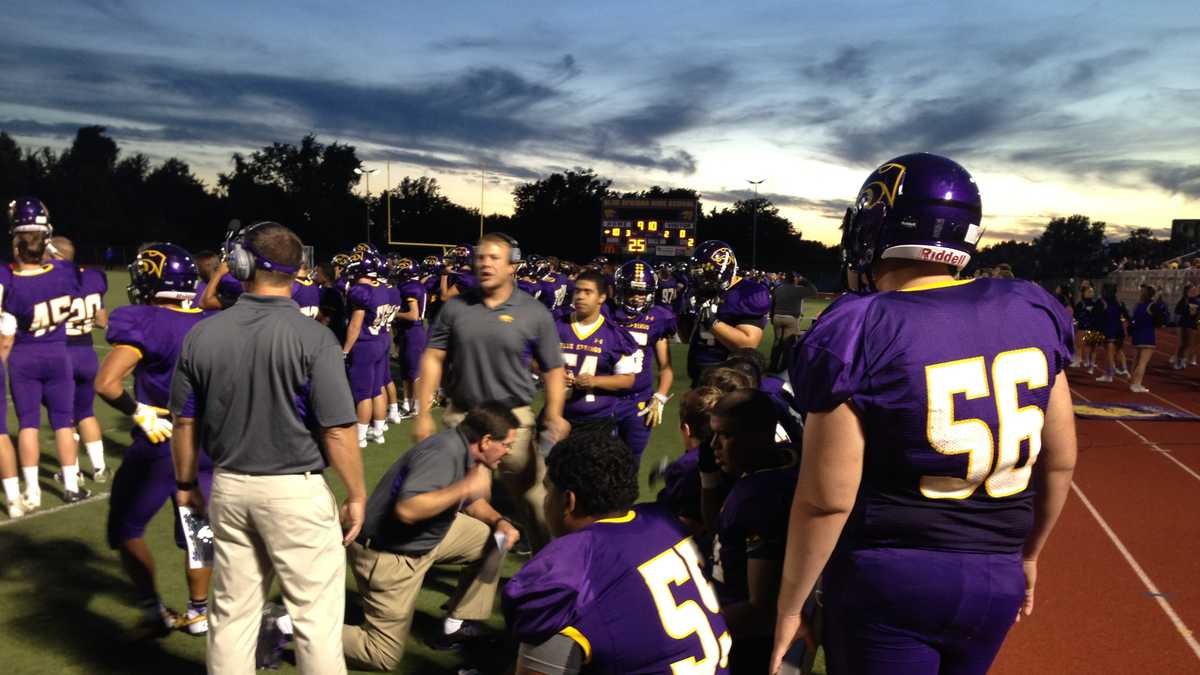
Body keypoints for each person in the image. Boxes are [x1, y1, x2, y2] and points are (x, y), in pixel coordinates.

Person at [771, 154, 1079, 675]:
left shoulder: (859, 324)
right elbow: (1061, 460)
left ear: (877, 225)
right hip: (996, 577)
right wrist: (1026, 555)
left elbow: (827, 500)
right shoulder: (1029, 306)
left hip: (890, 577)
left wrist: (789, 606)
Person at [169, 222, 365, 675]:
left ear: (241, 264)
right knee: (315, 621)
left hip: (230, 487)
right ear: (298, 272)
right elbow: (337, 430)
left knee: (231, 616)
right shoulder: (315, 338)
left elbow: (184, 422)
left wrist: (184, 485)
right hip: (295, 491)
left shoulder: (202, 333)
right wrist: (355, 493)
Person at [503, 432, 732, 674]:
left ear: (569, 502)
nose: (546, 500)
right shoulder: (663, 523)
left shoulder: (573, 565)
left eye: (549, 491)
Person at [414, 233, 569, 551]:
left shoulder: (533, 311)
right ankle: (472, 595)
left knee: (535, 500)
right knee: (468, 505)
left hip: (514, 420)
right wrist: (423, 412)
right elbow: (433, 356)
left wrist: (553, 412)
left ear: (512, 265)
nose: (484, 262)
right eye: (480, 257)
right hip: (464, 418)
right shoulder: (455, 308)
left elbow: (554, 368)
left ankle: (548, 569)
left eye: (493, 257)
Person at [341, 402, 521, 670]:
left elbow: (470, 500)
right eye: (506, 444)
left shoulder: (464, 449)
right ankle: (292, 624)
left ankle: (455, 625)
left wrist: (499, 521)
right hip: (391, 556)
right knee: (380, 655)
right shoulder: (443, 454)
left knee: (491, 539)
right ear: (485, 441)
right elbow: (408, 509)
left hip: (426, 537)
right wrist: (465, 487)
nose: (508, 452)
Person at [97, 243, 215, 638]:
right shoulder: (213, 320)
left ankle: (153, 611)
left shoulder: (143, 320)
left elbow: (107, 383)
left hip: (160, 439)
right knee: (198, 533)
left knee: (125, 528)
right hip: (207, 443)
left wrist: (138, 411)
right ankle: (199, 613)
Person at [3, 197, 87, 509]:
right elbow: (60, 255)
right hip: (57, 354)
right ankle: (70, 484)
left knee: (28, 424)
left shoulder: (10, 280)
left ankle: (33, 492)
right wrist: (45, 234)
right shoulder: (65, 273)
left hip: (24, 357)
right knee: (64, 422)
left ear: (17, 244)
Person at [708, 389, 799, 673]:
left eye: (724, 435)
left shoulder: (761, 498)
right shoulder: (773, 471)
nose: (713, 445)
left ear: (757, 436)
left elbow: (760, 609)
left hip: (745, 644)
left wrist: (702, 625)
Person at [49, 235, 109, 483]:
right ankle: (100, 468)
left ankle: (72, 473)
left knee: (63, 416)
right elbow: (102, 321)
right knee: (86, 412)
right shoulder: (94, 277)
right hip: (87, 353)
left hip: (62, 353)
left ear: (55, 255)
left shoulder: (52, 278)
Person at [555, 270, 642, 435]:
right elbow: (533, 359)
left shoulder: (615, 335)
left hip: (596, 420)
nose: (580, 296)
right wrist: (553, 374)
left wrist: (594, 381)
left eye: (588, 292)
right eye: (578, 291)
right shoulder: (557, 325)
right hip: (557, 414)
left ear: (601, 297)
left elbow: (627, 380)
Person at [610, 260, 676, 465]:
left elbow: (665, 367)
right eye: (631, 291)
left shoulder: (658, 318)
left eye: (642, 292)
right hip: (605, 398)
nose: (637, 297)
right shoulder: (604, 313)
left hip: (638, 401)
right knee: (600, 460)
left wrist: (661, 395)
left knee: (630, 462)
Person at [684, 240, 771, 385]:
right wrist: (687, 315)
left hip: (729, 382)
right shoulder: (700, 292)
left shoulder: (746, 293)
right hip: (700, 378)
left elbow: (748, 344)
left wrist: (711, 321)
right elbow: (686, 337)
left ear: (727, 269)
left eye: (708, 274)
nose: (702, 280)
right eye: (699, 274)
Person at [341, 249, 394, 448]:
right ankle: (378, 431)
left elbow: (355, 324)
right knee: (376, 389)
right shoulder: (381, 286)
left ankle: (360, 436)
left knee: (362, 393)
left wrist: (345, 350)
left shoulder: (360, 291)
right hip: (382, 339)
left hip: (366, 344)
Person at [391, 257, 427, 420]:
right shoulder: (413, 285)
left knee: (414, 372)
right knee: (405, 371)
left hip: (413, 331)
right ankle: (407, 404)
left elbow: (413, 315)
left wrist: (394, 314)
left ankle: (417, 407)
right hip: (408, 331)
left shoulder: (411, 287)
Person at [1095, 283, 1130, 383]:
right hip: (1119, 330)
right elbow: (1127, 315)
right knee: (1119, 350)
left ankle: (1109, 374)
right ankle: (1124, 369)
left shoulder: (1101, 302)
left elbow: (1097, 318)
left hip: (1108, 330)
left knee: (1109, 353)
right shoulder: (1119, 302)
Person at [1128, 285, 1158, 393]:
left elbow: (1133, 320)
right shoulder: (1153, 306)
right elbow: (1160, 320)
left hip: (1137, 334)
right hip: (1148, 335)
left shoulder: (1138, 305)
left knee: (1135, 360)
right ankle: (1137, 384)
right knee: (1143, 362)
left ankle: (1132, 382)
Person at [770, 271, 808, 343]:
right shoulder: (798, 289)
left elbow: (773, 304)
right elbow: (801, 303)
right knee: (789, 341)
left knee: (777, 341)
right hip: (791, 318)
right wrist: (801, 315)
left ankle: (775, 354)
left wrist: (772, 316)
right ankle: (786, 353)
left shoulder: (778, 288)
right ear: (794, 279)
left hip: (777, 317)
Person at [1171, 283, 1199, 369]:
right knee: (1182, 343)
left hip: (1193, 325)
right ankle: (1177, 360)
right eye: (1192, 290)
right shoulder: (1183, 301)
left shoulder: (1197, 301)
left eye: (1195, 290)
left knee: (1189, 344)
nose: (1194, 292)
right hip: (1183, 324)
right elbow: (1177, 313)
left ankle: (1183, 359)